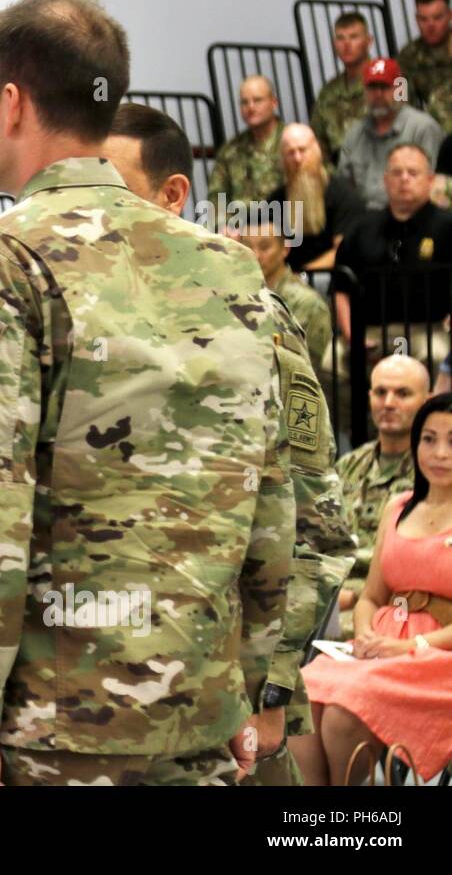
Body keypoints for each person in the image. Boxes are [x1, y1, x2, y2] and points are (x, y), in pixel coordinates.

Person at [0, 0, 293, 787]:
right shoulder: (226, 266)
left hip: (59, 728)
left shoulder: (1, 261)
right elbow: (271, 495)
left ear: (12, 103)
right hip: (198, 709)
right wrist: (249, 684)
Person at [103, 102, 355, 786]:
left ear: (172, 194)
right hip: (104, 701)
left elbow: (320, 527)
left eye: (113, 191)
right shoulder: (76, 319)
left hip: (228, 696)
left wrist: (271, 688)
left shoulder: (253, 318)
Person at [291, 393, 452, 785]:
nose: (440, 452)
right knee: (304, 697)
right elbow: (373, 596)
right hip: (381, 643)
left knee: (347, 712)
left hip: (437, 654)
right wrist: (364, 631)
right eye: (428, 439)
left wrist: (412, 647)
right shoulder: (398, 507)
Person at [334, 144, 452, 369]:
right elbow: (341, 288)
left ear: (430, 180)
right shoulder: (361, 228)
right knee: (333, 362)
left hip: (428, 330)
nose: (404, 179)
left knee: (438, 356)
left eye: (413, 172)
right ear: (386, 180)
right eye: (397, 173)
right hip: (371, 331)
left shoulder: (448, 225)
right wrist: (351, 335)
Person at [334, 356, 426, 634]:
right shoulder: (348, 466)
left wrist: (352, 597)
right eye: (380, 392)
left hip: (396, 608)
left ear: (427, 399)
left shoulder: (435, 472)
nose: (388, 402)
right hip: (331, 602)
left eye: (403, 393)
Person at [337, 58, 444, 210]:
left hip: (411, 217)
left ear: (399, 89)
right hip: (364, 220)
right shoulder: (355, 133)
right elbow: (344, 189)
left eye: (384, 87)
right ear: (364, 91)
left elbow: (434, 187)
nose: (378, 94)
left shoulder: (423, 128)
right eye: (372, 88)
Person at [264, 123, 363, 271]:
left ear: (317, 151)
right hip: (287, 284)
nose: (297, 158)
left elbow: (343, 252)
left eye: (303, 150)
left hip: (334, 281)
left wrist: (303, 277)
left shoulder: (343, 195)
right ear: (283, 159)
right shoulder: (275, 200)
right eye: (290, 153)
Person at [238, 223, 332, 379]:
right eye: (248, 247)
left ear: (285, 249)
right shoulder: (238, 293)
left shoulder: (307, 302)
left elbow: (305, 368)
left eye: (265, 247)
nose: (256, 256)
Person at [207, 74, 285, 208]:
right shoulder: (230, 151)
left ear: (274, 102)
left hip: (286, 223)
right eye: (244, 102)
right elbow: (216, 199)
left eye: (258, 100)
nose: (251, 107)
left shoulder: (293, 142)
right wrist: (224, 226)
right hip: (240, 225)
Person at [311, 12, 375, 161]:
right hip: (340, 170)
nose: (347, 45)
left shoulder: (396, 79)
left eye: (354, 37)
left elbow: (406, 126)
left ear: (369, 41)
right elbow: (318, 140)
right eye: (340, 38)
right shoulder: (327, 93)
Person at [397, 0, 452, 130]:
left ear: (450, 16)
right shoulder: (408, 55)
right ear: (416, 19)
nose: (430, 25)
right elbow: (400, 98)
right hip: (436, 134)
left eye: (437, 18)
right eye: (423, 19)